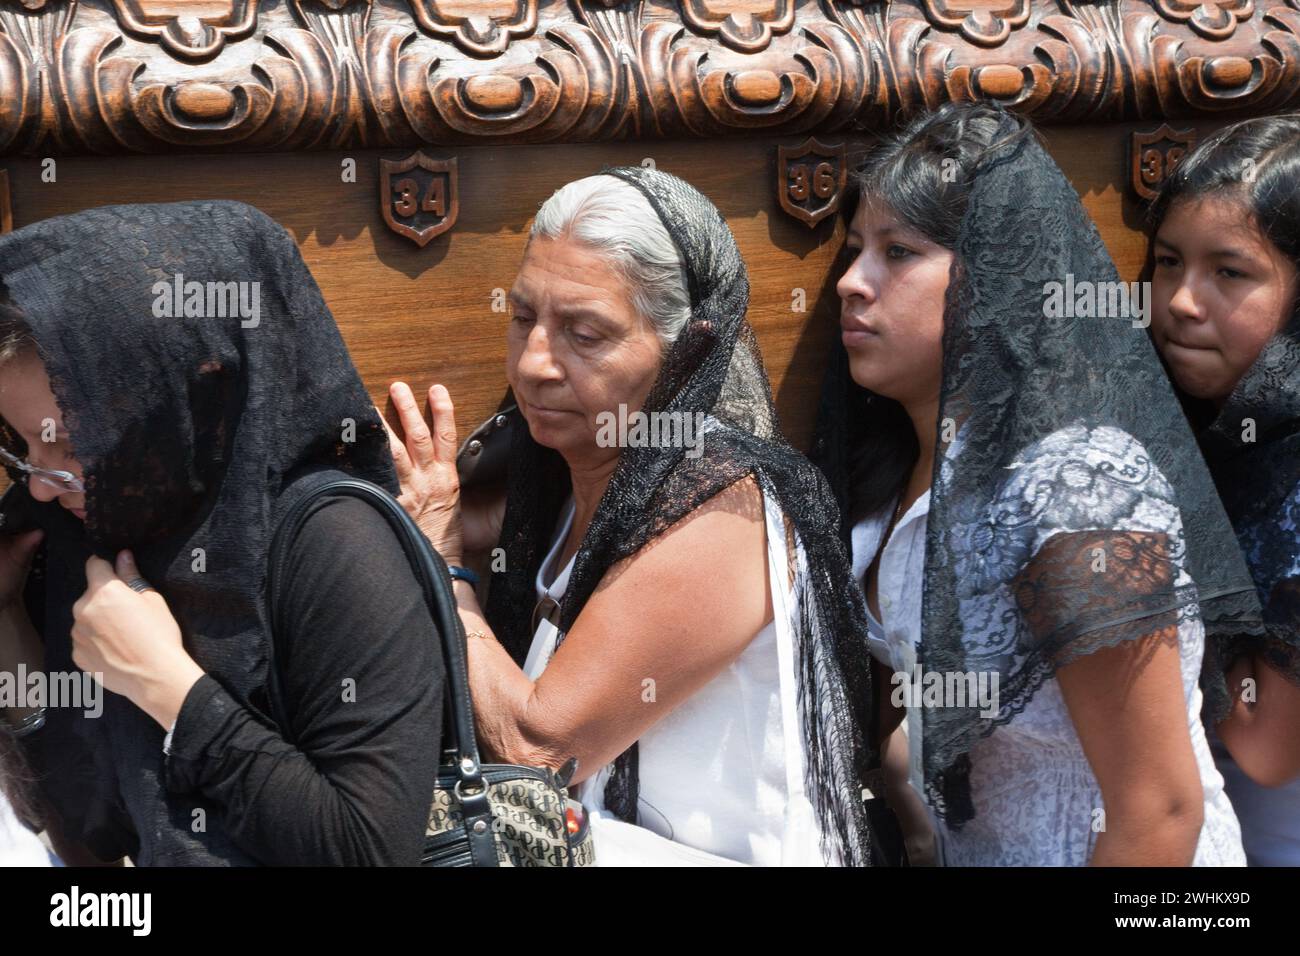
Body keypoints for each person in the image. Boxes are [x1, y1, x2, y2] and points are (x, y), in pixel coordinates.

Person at [385, 168, 883, 865]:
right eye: (524, 318)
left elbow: (539, 749)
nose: (534, 365)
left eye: (584, 334)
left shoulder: (727, 509)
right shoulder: (562, 495)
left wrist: (445, 568)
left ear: (686, 353)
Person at [811, 101, 1261, 865]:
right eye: (856, 249)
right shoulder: (897, 469)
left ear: (992, 281)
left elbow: (1160, 810)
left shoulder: (1076, 487)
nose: (852, 283)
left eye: (898, 252)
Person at [0, 200, 443, 865]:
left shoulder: (334, 542)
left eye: (67, 443)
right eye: (22, 447)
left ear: (178, 395)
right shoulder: (99, 534)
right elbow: (84, 823)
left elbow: (371, 849)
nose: (38, 483)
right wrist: (6, 616)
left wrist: (171, 690)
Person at [1147, 114, 1300, 866]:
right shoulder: (1211, 436)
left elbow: (1264, 743)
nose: (1180, 300)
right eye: (1168, 263)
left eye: (1229, 273)